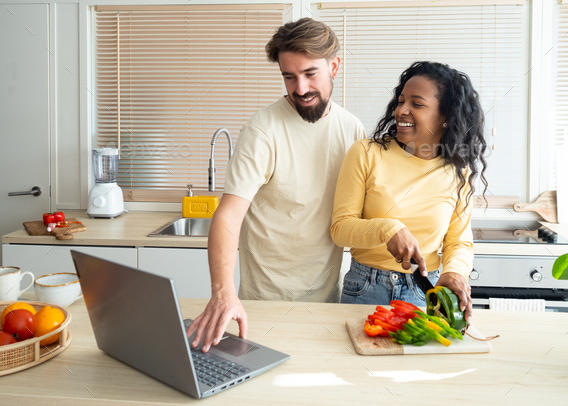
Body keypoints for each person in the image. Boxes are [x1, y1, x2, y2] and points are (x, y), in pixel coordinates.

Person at [187, 18, 365, 352]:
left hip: (329, 302)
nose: (300, 88)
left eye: (310, 74)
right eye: (289, 76)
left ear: (334, 66)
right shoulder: (262, 131)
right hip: (263, 306)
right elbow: (227, 217)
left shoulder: (352, 129)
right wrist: (223, 291)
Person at [330, 61, 488, 324]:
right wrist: (388, 229)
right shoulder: (367, 153)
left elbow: (459, 242)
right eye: (401, 101)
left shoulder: (459, 173)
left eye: (417, 104)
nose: (401, 110)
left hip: (424, 291)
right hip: (366, 289)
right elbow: (340, 228)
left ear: (446, 116)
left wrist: (456, 272)